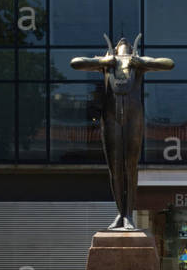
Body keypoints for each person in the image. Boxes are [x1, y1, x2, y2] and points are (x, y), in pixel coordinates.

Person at [71, 34, 173, 229]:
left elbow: (168, 63)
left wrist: (140, 61)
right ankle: (121, 213)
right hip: (110, 117)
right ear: (114, 48)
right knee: (115, 167)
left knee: (130, 166)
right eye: (120, 42)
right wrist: (104, 60)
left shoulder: (137, 63)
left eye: (125, 42)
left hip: (133, 117)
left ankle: (129, 215)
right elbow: (76, 63)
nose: (123, 40)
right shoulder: (108, 62)